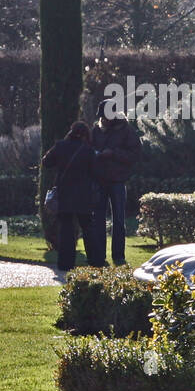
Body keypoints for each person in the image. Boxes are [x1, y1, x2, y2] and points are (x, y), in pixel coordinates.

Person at [42, 121, 106, 273]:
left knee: (66, 230)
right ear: (85, 135)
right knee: (88, 229)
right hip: (84, 195)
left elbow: (46, 162)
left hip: (65, 194)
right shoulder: (88, 151)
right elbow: (96, 172)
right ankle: (95, 261)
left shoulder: (61, 146)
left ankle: (65, 264)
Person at [90, 106, 142, 266]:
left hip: (118, 179)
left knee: (119, 219)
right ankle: (99, 256)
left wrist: (113, 153)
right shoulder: (96, 130)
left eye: (105, 117)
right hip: (99, 179)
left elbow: (135, 153)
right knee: (98, 219)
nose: (103, 120)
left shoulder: (126, 131)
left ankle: (118, 256)